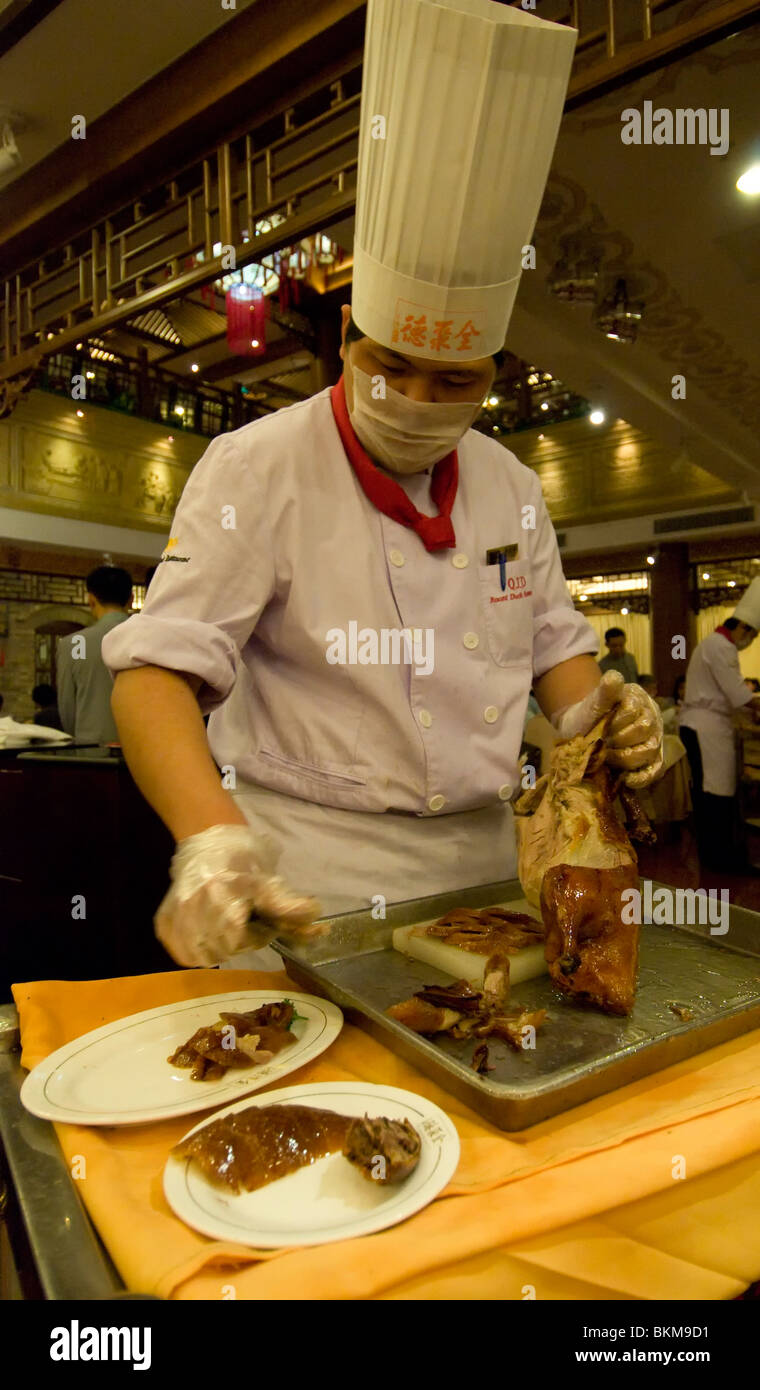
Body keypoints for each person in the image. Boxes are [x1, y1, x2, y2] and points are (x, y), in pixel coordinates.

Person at [103, 0, 663, 970]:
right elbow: (154, 675)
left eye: (452, 381)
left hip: (484, 863)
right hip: (308, 865)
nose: (412, 397)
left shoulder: (510, 484)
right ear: (349, 342)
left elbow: (554, 647)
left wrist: (600, 710)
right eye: (388, 364)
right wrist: (209, 839)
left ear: (491, 377)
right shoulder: (258, 464)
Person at [679, 579, 760, 871]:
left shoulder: (714, 644)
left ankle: (720, 856)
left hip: (707, 727)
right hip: (705, 729)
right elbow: (739, 695)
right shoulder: (720, 647)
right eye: (752, 634)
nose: (750, 641)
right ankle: (719, 858)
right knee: (713, 795)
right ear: (744, 629)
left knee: (714, 794)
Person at [58, 566, 133, 744]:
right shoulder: (151, 638)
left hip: (92, 749)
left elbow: (68, 707)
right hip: (145, 749)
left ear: (91, 599)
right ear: (131, 600)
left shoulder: (78, 643)